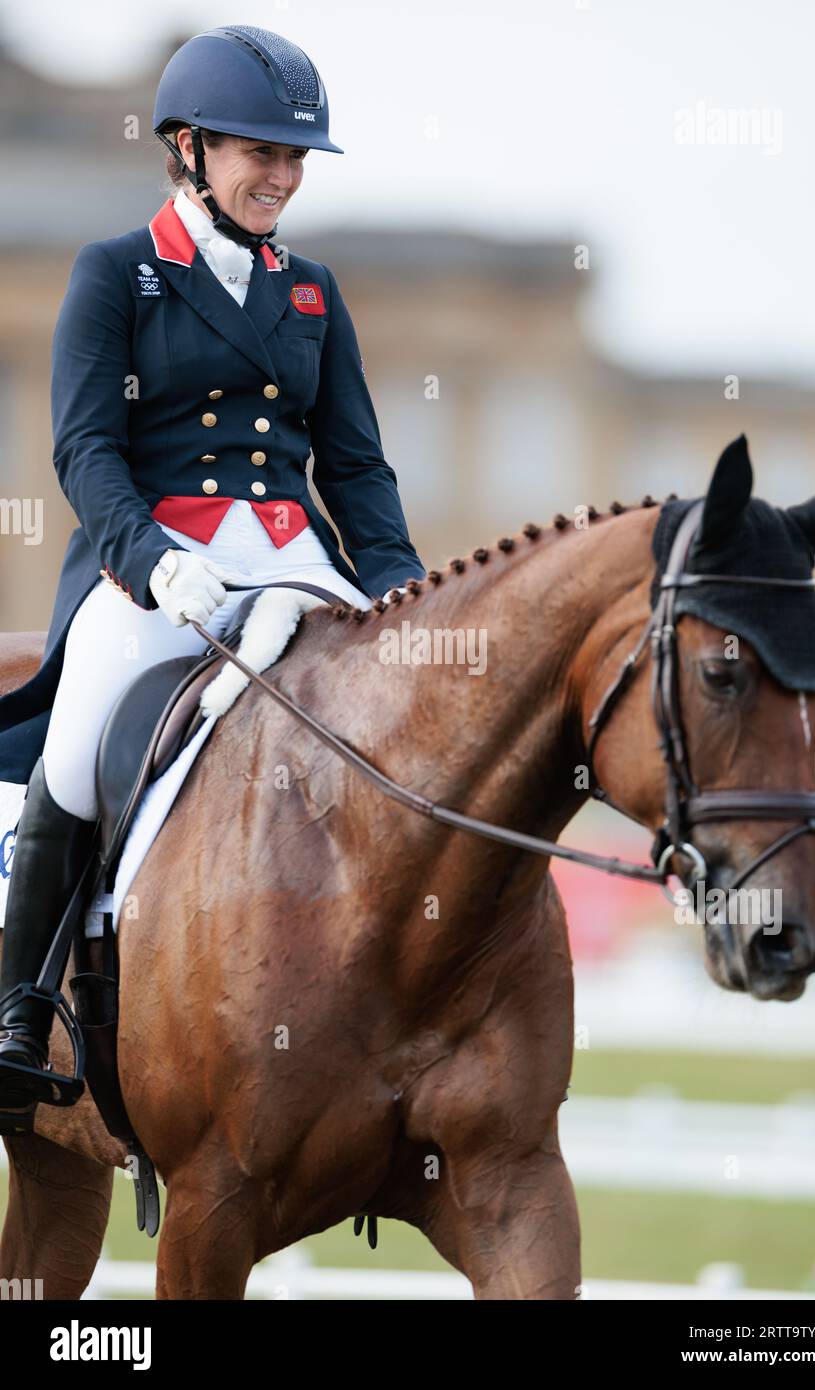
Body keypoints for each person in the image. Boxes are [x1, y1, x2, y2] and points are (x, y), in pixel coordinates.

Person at [0, 24, 425, 1105]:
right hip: (154, 569)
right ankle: (15, 1012)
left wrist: (398, 591)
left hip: (291, 563)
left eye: (293, 160)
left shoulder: (315, 294)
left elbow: (358, 469)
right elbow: (85, 447)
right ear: (187, 147)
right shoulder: (117, 274)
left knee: (413, 738)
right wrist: (149, 559)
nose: (281, 177)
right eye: (260, 154)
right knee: (82, 749)